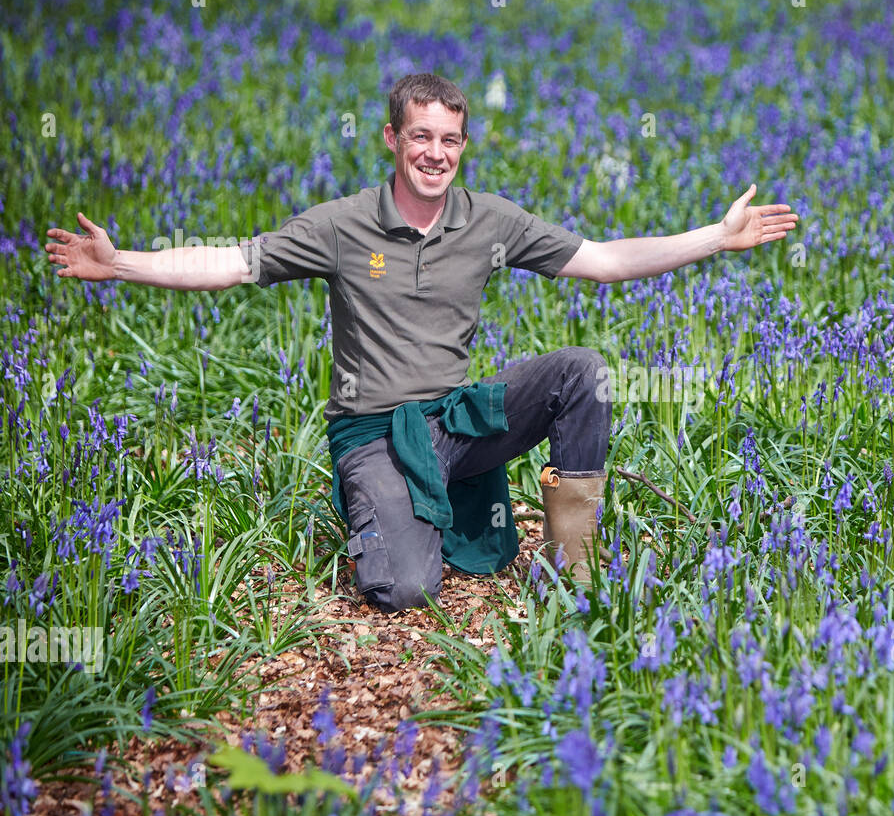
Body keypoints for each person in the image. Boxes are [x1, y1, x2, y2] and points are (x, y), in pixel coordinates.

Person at [45, 73, 799, 613]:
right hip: (374, 432)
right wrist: (123, 264)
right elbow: (232, 263)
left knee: (584, 374)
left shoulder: (489, 220)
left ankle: (575, 564)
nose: (435, 153)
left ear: (464, 145)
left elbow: (602, 261)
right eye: (420, 138)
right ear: (392, 139)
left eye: (449, 140)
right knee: (405, 589)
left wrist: (714, 239)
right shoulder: (340, 224)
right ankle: (382, 509)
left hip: (459, 420)